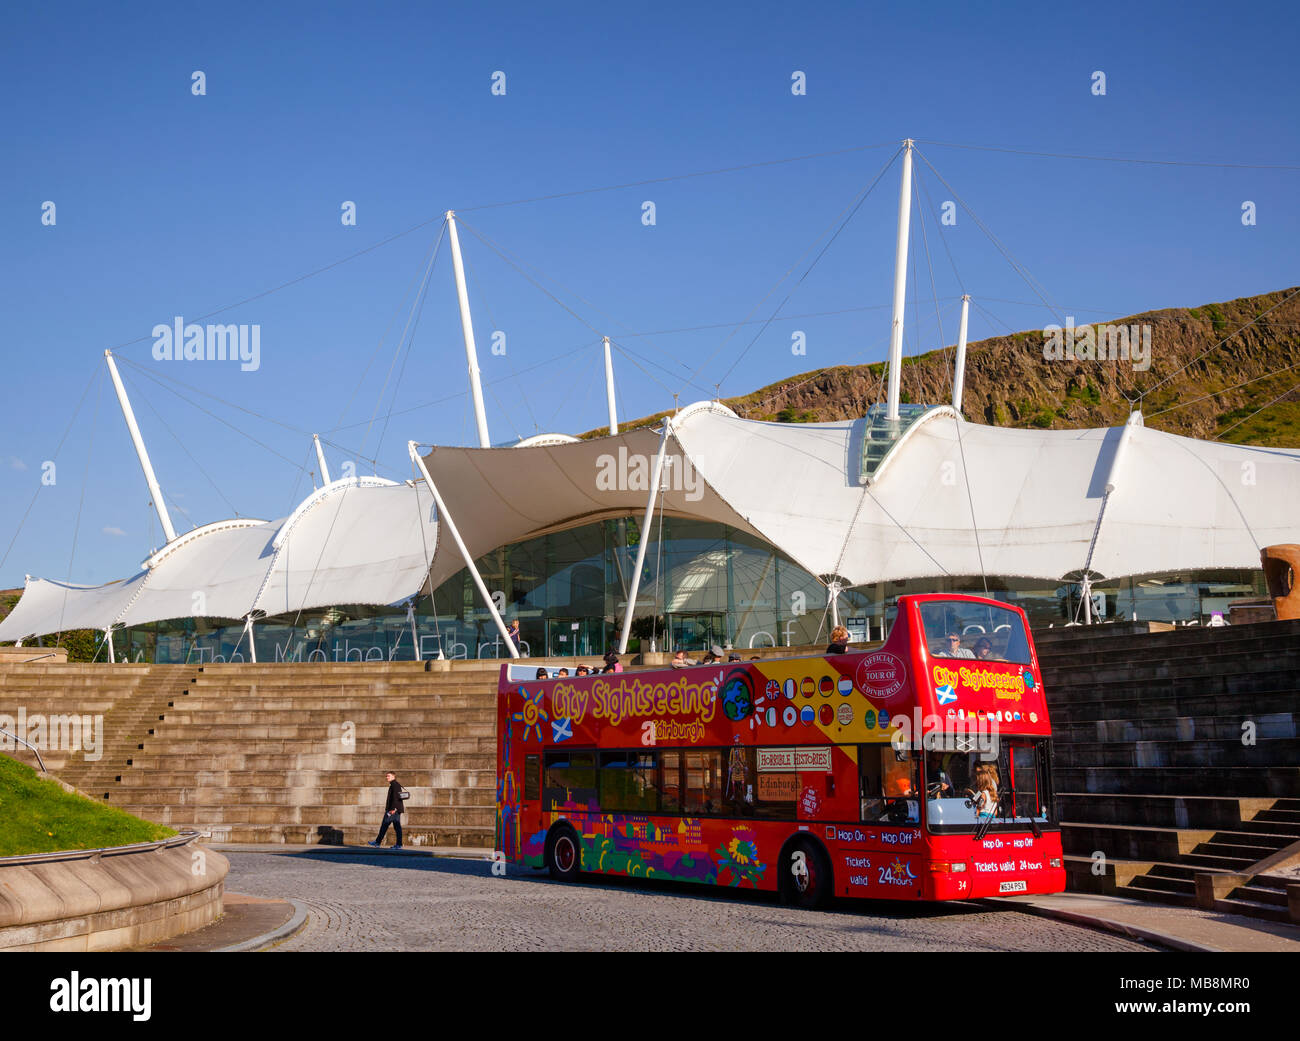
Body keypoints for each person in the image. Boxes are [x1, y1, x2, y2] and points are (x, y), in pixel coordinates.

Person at [367, 771, 405, 849]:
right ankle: (399, 844)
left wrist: (393, 809)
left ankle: (378, 842)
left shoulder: (394, 785)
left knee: (384, 825)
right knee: (397, 827)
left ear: (393, 776)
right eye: (386, 776)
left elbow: (396, 798)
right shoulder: (394, 784)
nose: (387, 777)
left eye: (388, 776)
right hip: (395, 810)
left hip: (393, 810)